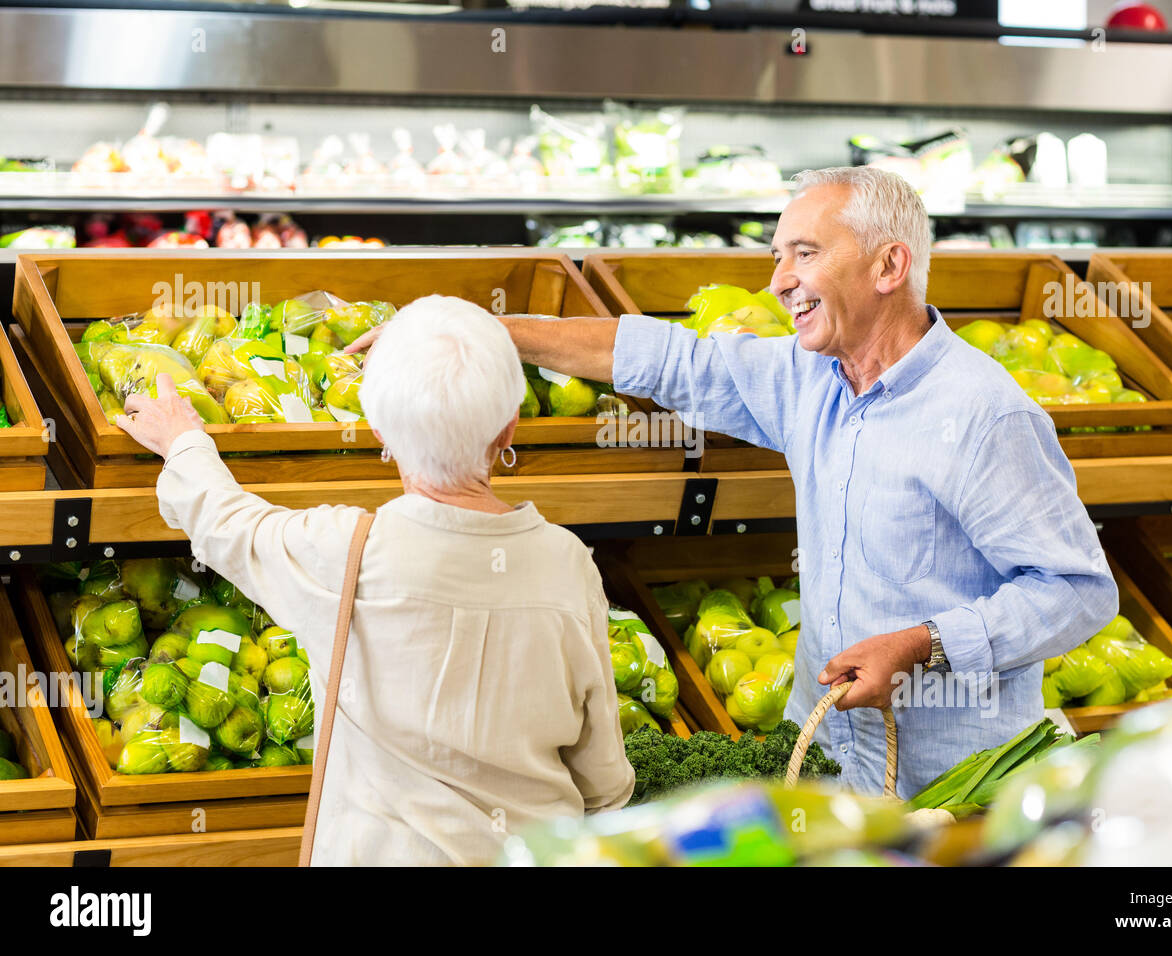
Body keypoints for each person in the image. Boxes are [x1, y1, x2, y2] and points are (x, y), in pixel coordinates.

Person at [356, 166, 1118, 798]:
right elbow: (669, 359)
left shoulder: (984, 415)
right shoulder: (813, 378)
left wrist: (923, 646)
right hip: (823, 757)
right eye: (778, 256)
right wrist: (481, 331)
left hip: (953, 779)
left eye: (805, 254)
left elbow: (1080, 591)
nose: (781, 280)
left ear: (890, 266)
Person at [116, 295, 634, 865]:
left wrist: (184, 439)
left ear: (380, 429)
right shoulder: (567, 563)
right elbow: (602, 776)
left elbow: (227, 523)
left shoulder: (346, 552)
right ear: (510, 428)